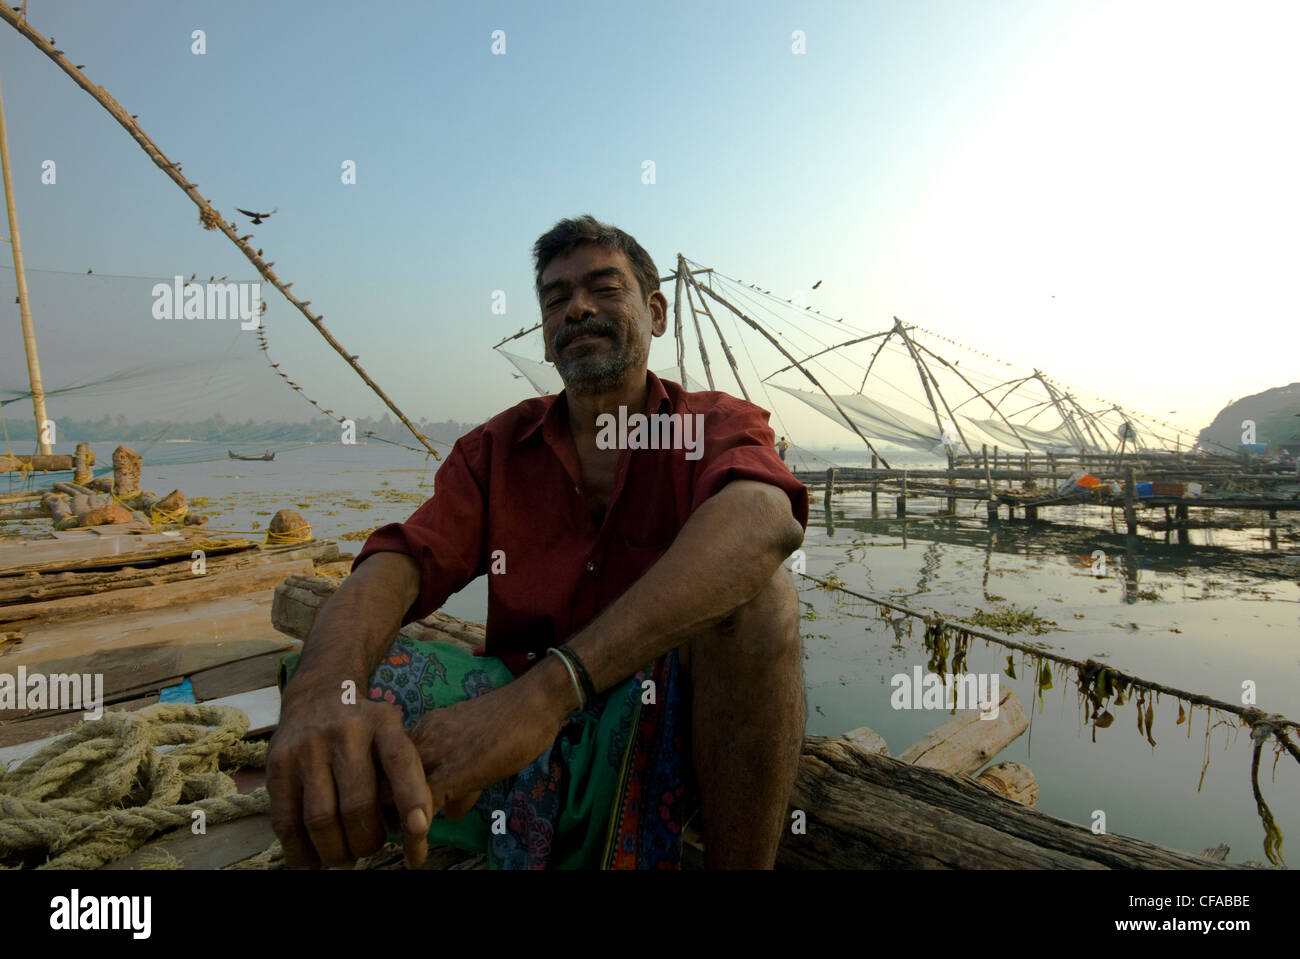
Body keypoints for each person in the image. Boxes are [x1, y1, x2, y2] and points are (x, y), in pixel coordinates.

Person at [267, 214, 808, 870]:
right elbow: (403, 561)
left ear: (657, 313)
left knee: (763, 603)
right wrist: (323, 692)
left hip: (662, 717)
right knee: (340, 703)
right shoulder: (496, 449)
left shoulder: (713, 423)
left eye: (603, 289)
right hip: (514, 703)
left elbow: (763, 520)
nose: (576, 307)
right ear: (548, 335)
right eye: (556, 299)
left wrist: (548, 695)